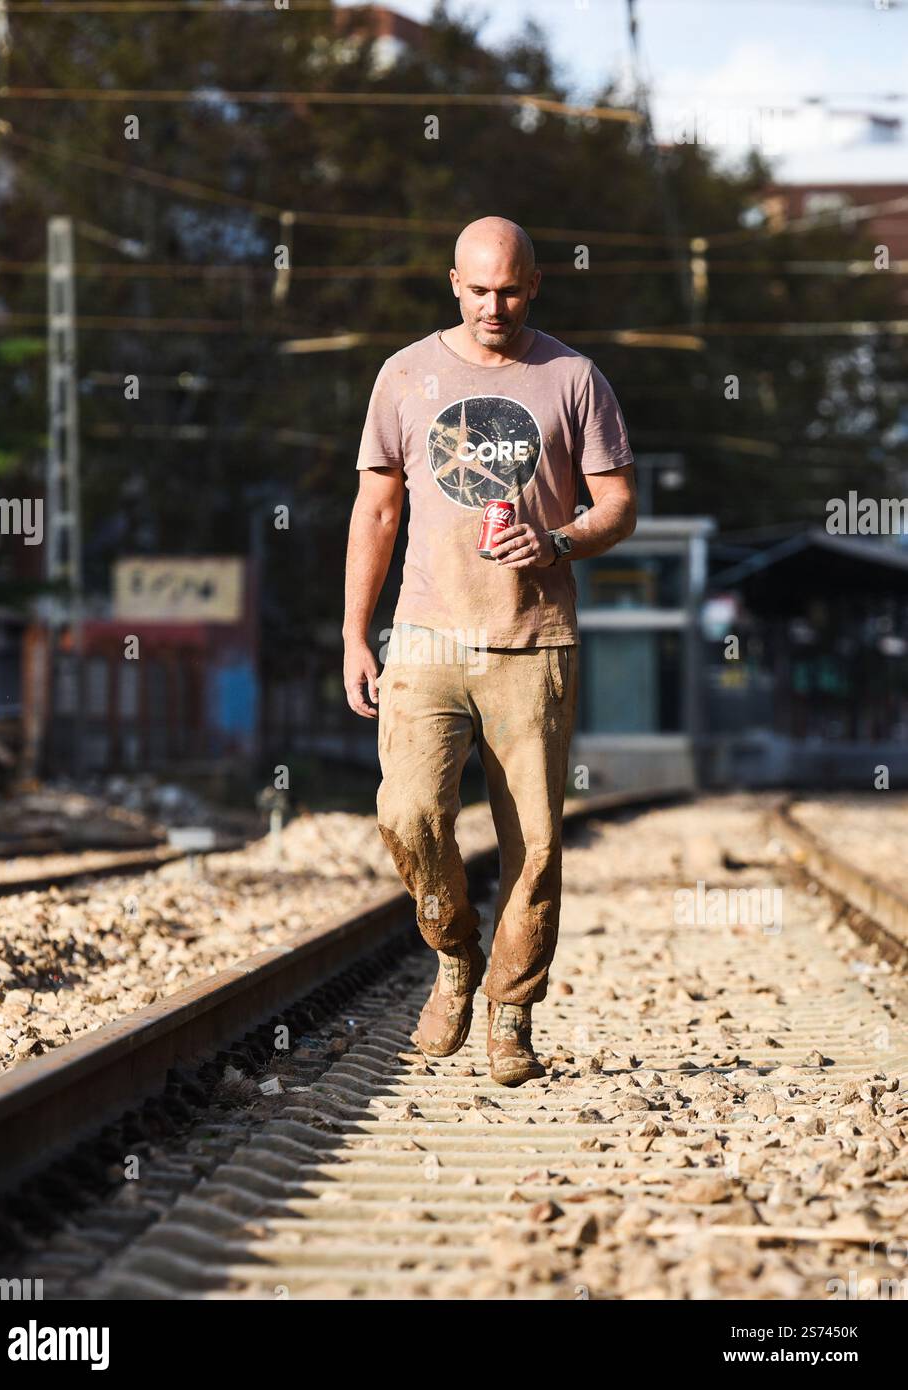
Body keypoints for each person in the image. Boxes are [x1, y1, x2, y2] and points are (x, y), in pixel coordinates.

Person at [343, 216, 636, 1086]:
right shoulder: (404, 374)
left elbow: (616, 506)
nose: (493, 305)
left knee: (536, 845)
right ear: (453, 284)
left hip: (531, 641)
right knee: (407, 814)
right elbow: (377, 512)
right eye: (477, 289)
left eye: (509, 288)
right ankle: (453, 950)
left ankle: (512, 1012)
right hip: (426, 635)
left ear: (534, 285)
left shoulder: (574, 378)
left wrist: (557, 541)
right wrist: (357, 633)